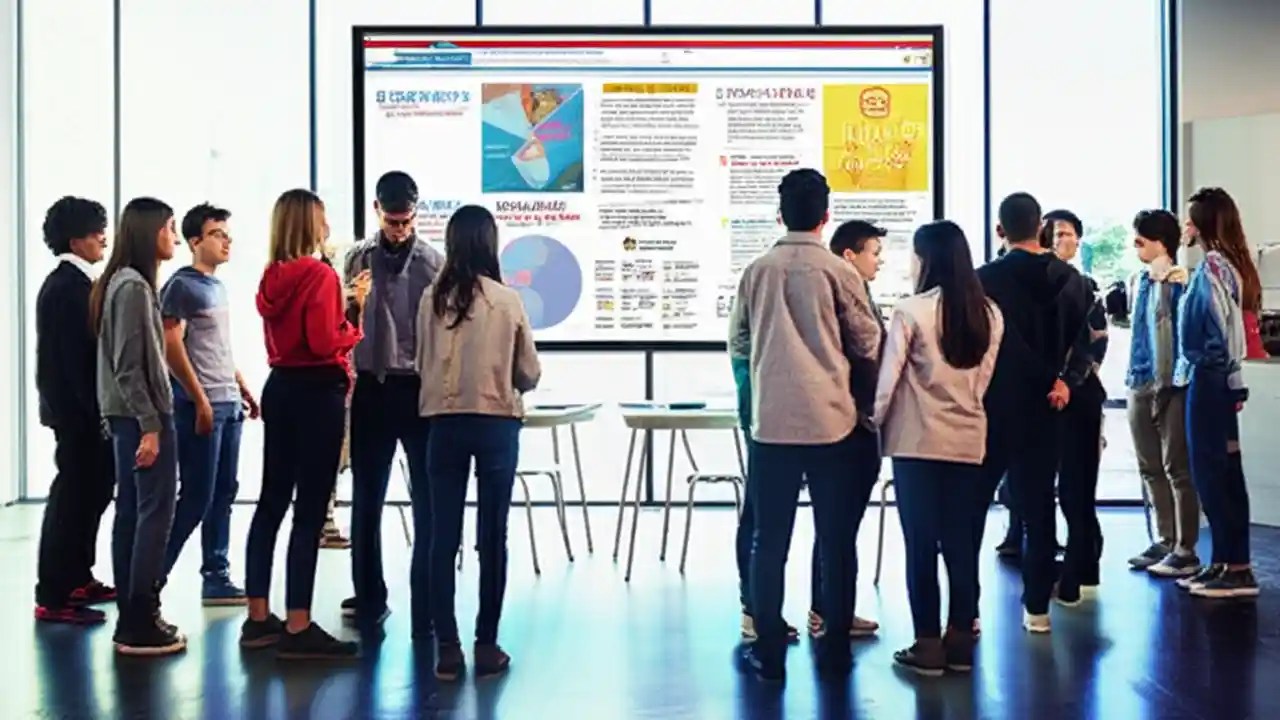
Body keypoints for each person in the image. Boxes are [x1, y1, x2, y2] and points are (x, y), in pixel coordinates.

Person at [729, 169, 882, 681]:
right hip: (831, 424)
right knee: (836, 539)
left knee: (768, 541)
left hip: (771, 426)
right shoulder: (841, 274)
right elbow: (869, 343)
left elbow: (741, 343)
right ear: (825, 216)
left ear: (780, 214)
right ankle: (835, 645)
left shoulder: (757, 271)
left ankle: (768, 649)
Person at [416, 205, 541, 681]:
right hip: (496, 425)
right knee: (493, 536)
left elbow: (422, 362)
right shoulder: (506, 300)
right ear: (490, 244)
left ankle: (446, 648)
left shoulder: (431, 298)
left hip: (443, 425)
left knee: (441, 537)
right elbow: (527, 372)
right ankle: (486, 644)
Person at [874, 220, 1003, 676]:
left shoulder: (911, 310)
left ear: (926, 259)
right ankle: (962, 643)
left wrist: (873, 421)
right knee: (961, 546)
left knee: (921, 546)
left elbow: (887, 381)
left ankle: (927, 645)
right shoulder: (989, 313)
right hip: (968, 440)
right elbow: (982, 384)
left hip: (917, 442)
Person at [241, 189, 365, 658]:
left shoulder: (272, 276)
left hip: (281, 387)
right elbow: (322, 341)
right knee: (310, 509)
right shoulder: (319, 273)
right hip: (318, 393)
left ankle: (258, 619)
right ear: (308, 224)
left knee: (271, 500)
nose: (328, 225)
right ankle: (298, 624)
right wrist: (353, 326)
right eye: (322, 217)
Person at [976, 192, 1088, 633]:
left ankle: (965, 614)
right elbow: (1089, 340)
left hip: (996, 406)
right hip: (1051, 406)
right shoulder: (1074, 281)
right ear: (1040, 224)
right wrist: (1064, 381)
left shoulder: (983, 281)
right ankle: (1037, 608)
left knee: (975, 504)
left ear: (1000, 230)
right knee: (1040, 506)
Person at [340, 171, 443, 631]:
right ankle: (369, 595)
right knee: (366, 498)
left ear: (416, 212)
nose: (399, 229)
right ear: (377, 210)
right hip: (371, 387)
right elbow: (342, 322)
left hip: (418, 389)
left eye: (406, 221)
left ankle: (425, 589)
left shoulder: (434, 264)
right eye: (392, 221)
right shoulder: (355, 260)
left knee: (427, 497)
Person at [90, 197, 182, 655]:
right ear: (150, 232)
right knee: (152, 512)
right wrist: (151, 426)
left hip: (132, 416)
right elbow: (128, 367)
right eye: (169, 227)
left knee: (133, 510)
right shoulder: (131, 288)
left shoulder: (128, 284)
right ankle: (140, 617)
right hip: (140, 416)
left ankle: (133, 614)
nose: (176, 237)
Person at [158, 203, 259, 605]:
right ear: (195, 241)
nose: (227, 240)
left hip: (227, 404)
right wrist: (199, 399)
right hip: (203, 408)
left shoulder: (216, 286)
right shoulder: (181, 286)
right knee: (196, 495)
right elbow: (170, 346)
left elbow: (216, 349)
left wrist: (242, 387)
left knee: (224, 492)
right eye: (218, 233)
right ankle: (151, 578)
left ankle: (216, 575)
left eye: (228, 233)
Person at [34, 196, 117, 624]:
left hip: (81, 413)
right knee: (72, 499)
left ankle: (77, 578)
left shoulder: (75, 283)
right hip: (79, 415)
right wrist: (95, 417)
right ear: (75, 238)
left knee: (91, 495)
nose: (103, 236)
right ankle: (53, 594)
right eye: (94, 230)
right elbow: (72, 363)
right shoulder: (69, 287)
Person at [1176, 187, 1261, 598]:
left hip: (1209, 380)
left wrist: (1225, 376)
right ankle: (1229, 562)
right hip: (1221, 380)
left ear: (1204, 224)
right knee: (1225, 472)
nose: (1184, 226)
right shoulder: (1232, 264)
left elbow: (1219, 334)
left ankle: (1235, 568)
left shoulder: (1211, 266)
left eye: (1190, 219)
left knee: (1212, 472)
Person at [1124, 209, 1200, 577]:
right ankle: (1165, 538)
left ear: (1159, 242)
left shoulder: (1182, 281)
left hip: (1172, 383)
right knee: (1149, 465)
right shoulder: (1138, 280)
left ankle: (1186, 547)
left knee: (1177, 468)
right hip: (1140, 379)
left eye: (1141, 239)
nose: (1135, 245)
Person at [1042, 209, 1108, 605]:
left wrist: (1069, 380)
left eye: (1065, 233)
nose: (1057, 239)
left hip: (1079, 398)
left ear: (1077, 241)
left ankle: (1081, 569)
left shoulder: (1084, 287)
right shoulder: (1037, 285)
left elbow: (1096, 341)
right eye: (1051, 232)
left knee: (1076, 489)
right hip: (1045, 397)